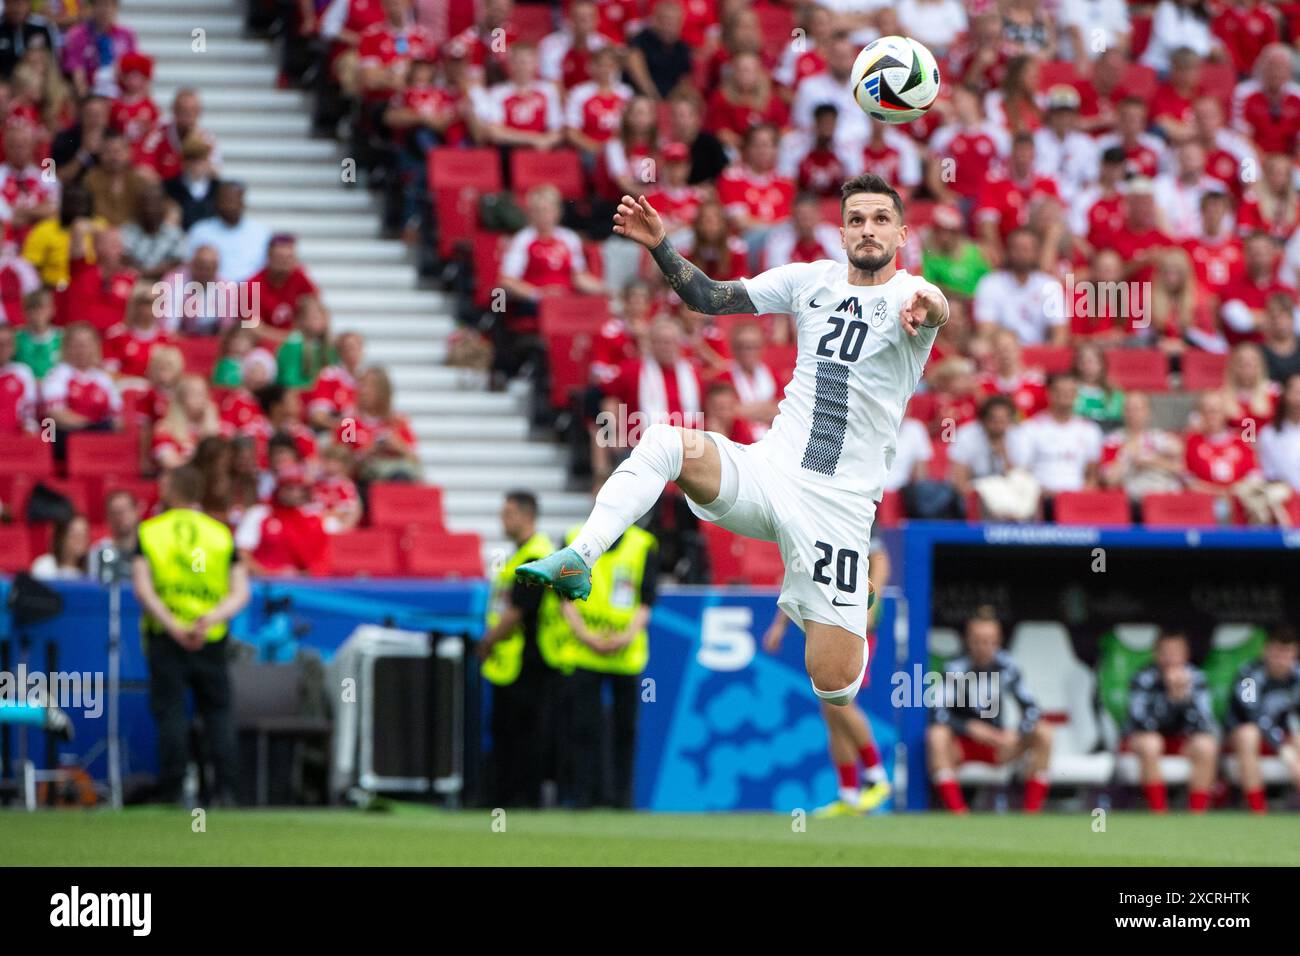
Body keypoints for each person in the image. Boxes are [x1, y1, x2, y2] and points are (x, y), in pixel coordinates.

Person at [517, 173, 949, 708]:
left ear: (902, 235)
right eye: (856, 219)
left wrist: (926, 311)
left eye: (881, 220)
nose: (867, 230)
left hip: (839, 506)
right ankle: (580, 555)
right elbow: (708, 297)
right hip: (770, 472)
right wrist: (659, 244)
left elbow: (935, 305)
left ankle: (849, 594)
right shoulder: (809, 280)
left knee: (834, 687)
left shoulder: (911, 292)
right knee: (663, 441)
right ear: (840, 233)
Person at [133, 464, 250, 805]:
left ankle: (173, 790)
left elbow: (143, 588)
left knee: (170, 713)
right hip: (210, 637)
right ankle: (226, 792)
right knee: (218, 714)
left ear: (172, 491)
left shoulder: (151, 531)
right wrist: (208, 619)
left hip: (166, 636)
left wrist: (173, 624)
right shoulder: (220, 534)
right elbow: (241, 592)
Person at [762, 539, 891, 817]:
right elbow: (799, 575)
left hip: (849, 619)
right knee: (830, 709)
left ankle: (876, 776)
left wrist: (869, 608)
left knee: (838, 702)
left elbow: (880, 560)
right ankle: (849, 795)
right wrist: (779, 624)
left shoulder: (852, 506)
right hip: (821, 620)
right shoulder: (808, 520)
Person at [559, 511, 658, 808]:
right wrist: (585, 635)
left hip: (625, 653)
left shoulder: (643, 544)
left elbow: (647, 599)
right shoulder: (574, 536)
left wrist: (626, 636)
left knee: (625, 728)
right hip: (584, 651)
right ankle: (584, 796)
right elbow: (563, 595)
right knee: (583, 726)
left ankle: (621, 798)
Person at [476, 491, 561, 808]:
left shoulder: (535, 555)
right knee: (513, 731)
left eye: (509, 512)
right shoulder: (524, 553)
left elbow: (518, 610)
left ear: (527, 516)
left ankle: (521, 798)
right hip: (516, 657)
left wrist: (488, 640)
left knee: (524, 733)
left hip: (529, 658)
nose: (503, 518)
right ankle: (512, 796)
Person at [926, 606, 1053, 814]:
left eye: (989, 641)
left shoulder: (1008, 668)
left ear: (998, 640)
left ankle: (1031, 813)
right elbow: (936, 711)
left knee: (1044, 732)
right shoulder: (954, 668)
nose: (983, 647)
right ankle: (959, 814)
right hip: (962, 746)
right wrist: (969, 727)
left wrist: (1017, 733)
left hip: (999, 746)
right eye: (977, 640)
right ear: (968, 640)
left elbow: (1032, 709)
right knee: (936, 735)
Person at [1125, 629, 1219, 813]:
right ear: (1156, 654)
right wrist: (1171, 699)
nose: (1171, 658)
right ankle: (1159, 812)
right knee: (1151, 742)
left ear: (1186, 654)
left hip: (1182, 741)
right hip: (1147, 741)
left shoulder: (1197, 678)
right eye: (1166, 652)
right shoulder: (1143, 678)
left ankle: (1197, 814)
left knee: (1206, 745)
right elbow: (1141, 722)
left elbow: (1204, 723)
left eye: (1176, 652)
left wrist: (1183, 698)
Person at [1226, 626, 1300, 813]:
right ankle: (1258, 808)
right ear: (1265, 650)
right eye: (1276, 653)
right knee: (1248, 734)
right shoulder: (1248, 676)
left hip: (1284, 736)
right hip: (1250, 738)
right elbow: (1253, 714)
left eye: (1287, 654)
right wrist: (1282, 746)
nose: (1281, 660)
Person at [88, 488, 140, 582]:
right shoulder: (99, 551)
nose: (120, 517)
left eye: (124, 510)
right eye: (114, 513)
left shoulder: (150, 548)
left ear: (136, 512)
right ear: (108, 518)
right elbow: (94, 586)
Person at [30, 514, 92, 580]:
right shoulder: (44, 566)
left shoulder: (92, 570)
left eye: (84, 535)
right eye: (75, 535)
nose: (80, 540)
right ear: (61, 537)